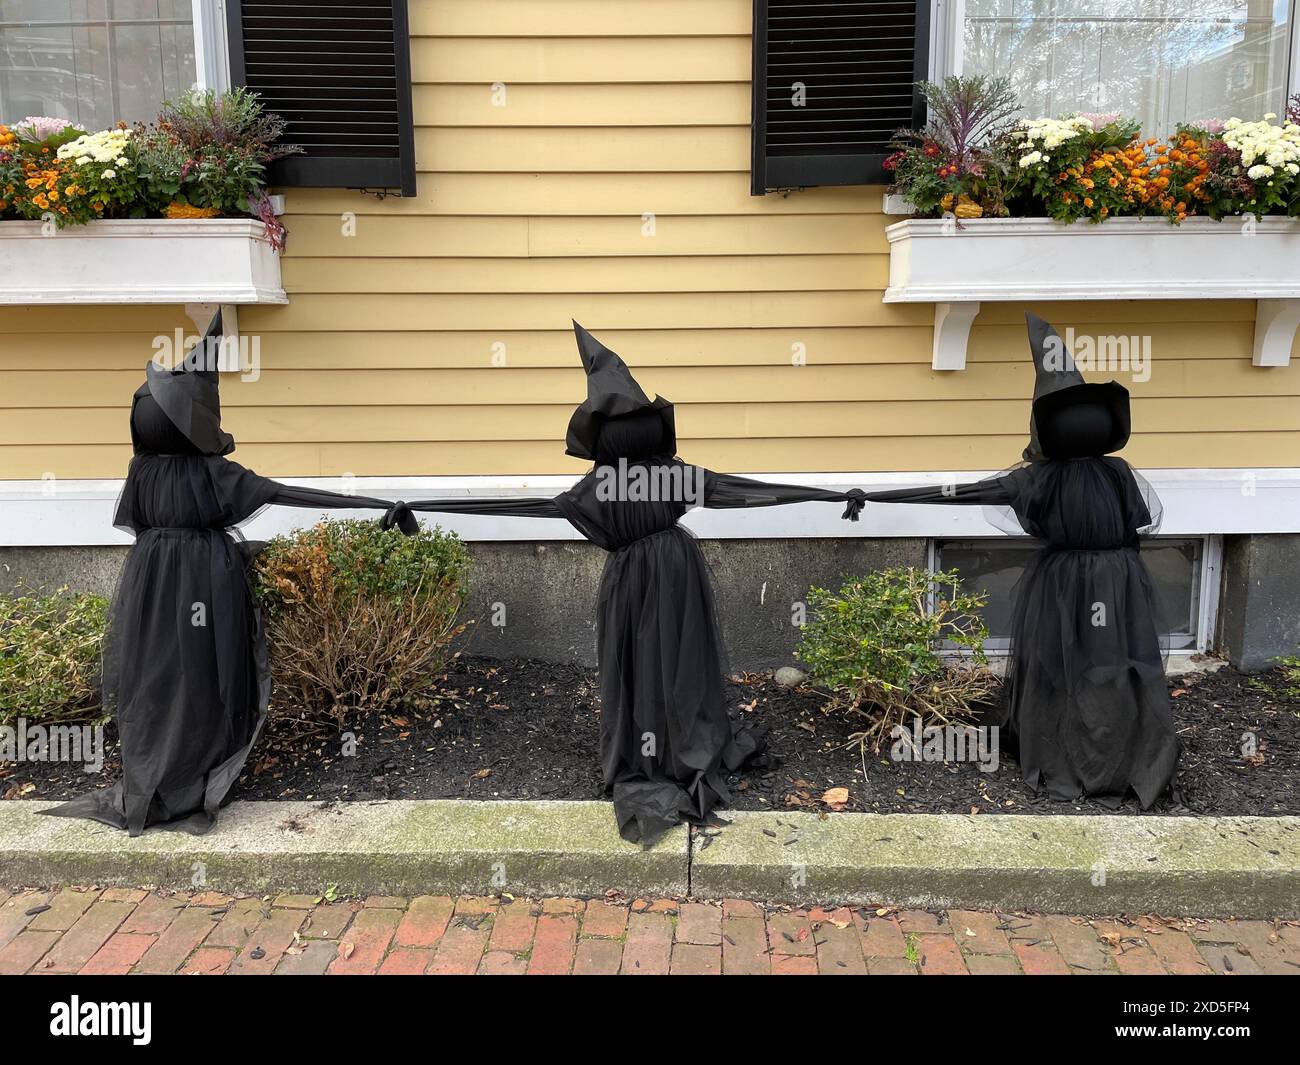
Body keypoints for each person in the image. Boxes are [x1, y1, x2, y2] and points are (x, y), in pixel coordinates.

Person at [384, 321, 866, 844]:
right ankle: (671, 745)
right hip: (667, 569)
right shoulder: (657, 476)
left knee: (660, 656)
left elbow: (742, 490)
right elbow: (740, 490)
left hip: (646, 575)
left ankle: (656, 748)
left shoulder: (619, 482)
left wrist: (833, 495)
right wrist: (417, 505)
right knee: (663, 656)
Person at [45, 312, 397, 835]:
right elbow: (285, 493)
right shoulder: (212, 472)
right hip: (205, 581)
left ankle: (158, 776)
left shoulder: (143, 469)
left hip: (151, 581)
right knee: (207, 675)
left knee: (157, 672)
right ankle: (192, 779)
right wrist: (377, 504)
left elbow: (140, 522)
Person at [865, 312, 1180, 808]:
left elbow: (957, 494)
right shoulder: (1113, 473)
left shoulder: (1046, 478)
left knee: (1072, 662)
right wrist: (878, 496)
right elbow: (958, 494)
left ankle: (1080, 753)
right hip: (1118, 579)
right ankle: (1112, 751)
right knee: (1107, 661)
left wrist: (873, 496)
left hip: (1073, 580)